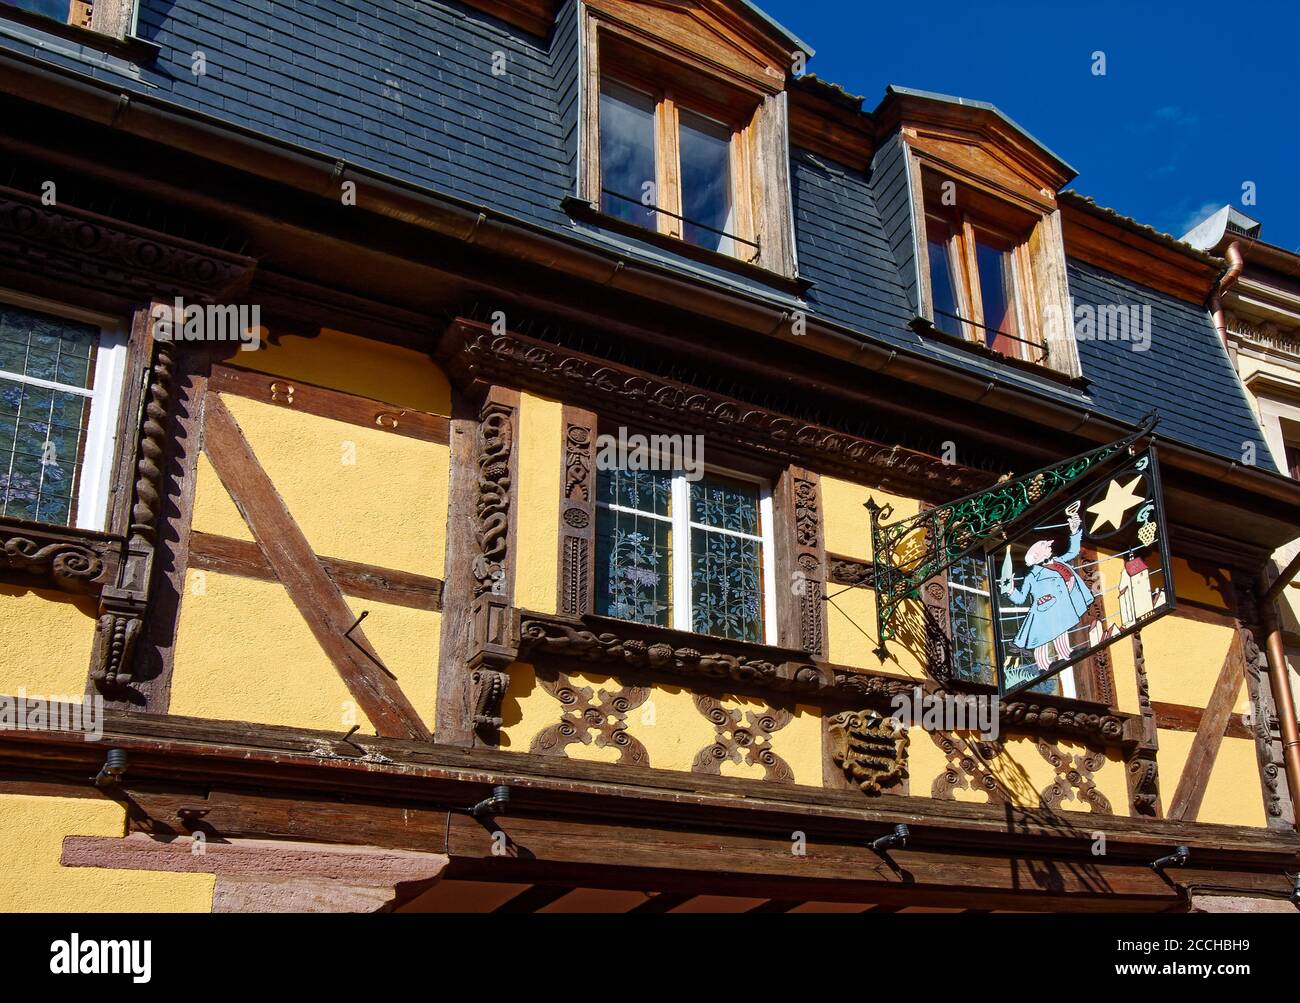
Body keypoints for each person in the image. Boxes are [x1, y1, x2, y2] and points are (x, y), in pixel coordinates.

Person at [1000, 510, 1095, 675]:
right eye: (1046, 546)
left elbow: (1073, 552)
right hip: (1042, 611)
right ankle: (1043, 666)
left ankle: (1067, 654)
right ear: (1038, 555)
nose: (1050, 546)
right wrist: (1010, 590)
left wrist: (1074, 531)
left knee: (1061, 630)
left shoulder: (1057, 561)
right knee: (1041, 639)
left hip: (1061, 605)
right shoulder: (1032, 575)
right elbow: (1021, 598)